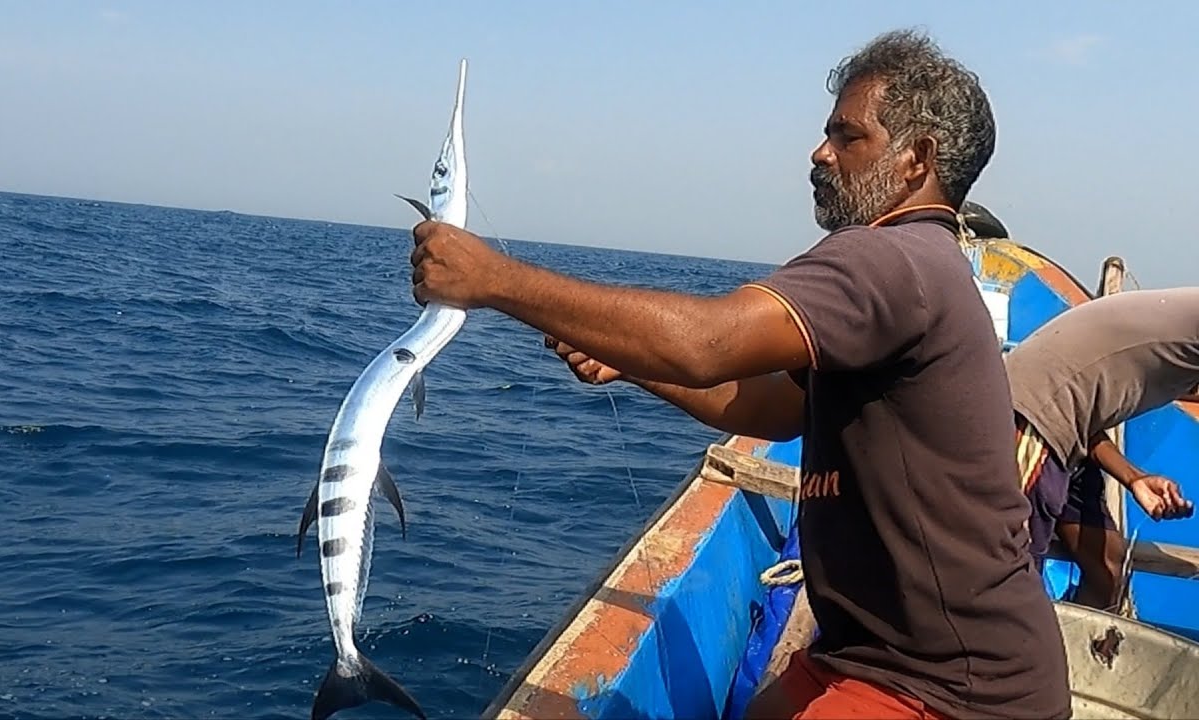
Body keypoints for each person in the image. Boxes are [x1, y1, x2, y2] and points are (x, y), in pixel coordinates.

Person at [409, 28, 1071, 720]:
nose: (820, 153)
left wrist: (493, 279)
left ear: (917, 160)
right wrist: (632, 362)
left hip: (955, 691)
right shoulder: (924, 265)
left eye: (848, 137)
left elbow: (708, 343)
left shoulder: (888, 261)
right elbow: (771, 409)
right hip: (871, 653)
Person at [1009, 288, 1198, 611]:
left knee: (1107, 571)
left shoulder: (1178, 344)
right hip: (1028, 416)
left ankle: (1073, 652)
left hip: (1072, 430)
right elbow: (1057, 389)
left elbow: (1084, 405)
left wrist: (1135, 478)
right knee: (1010, 571)